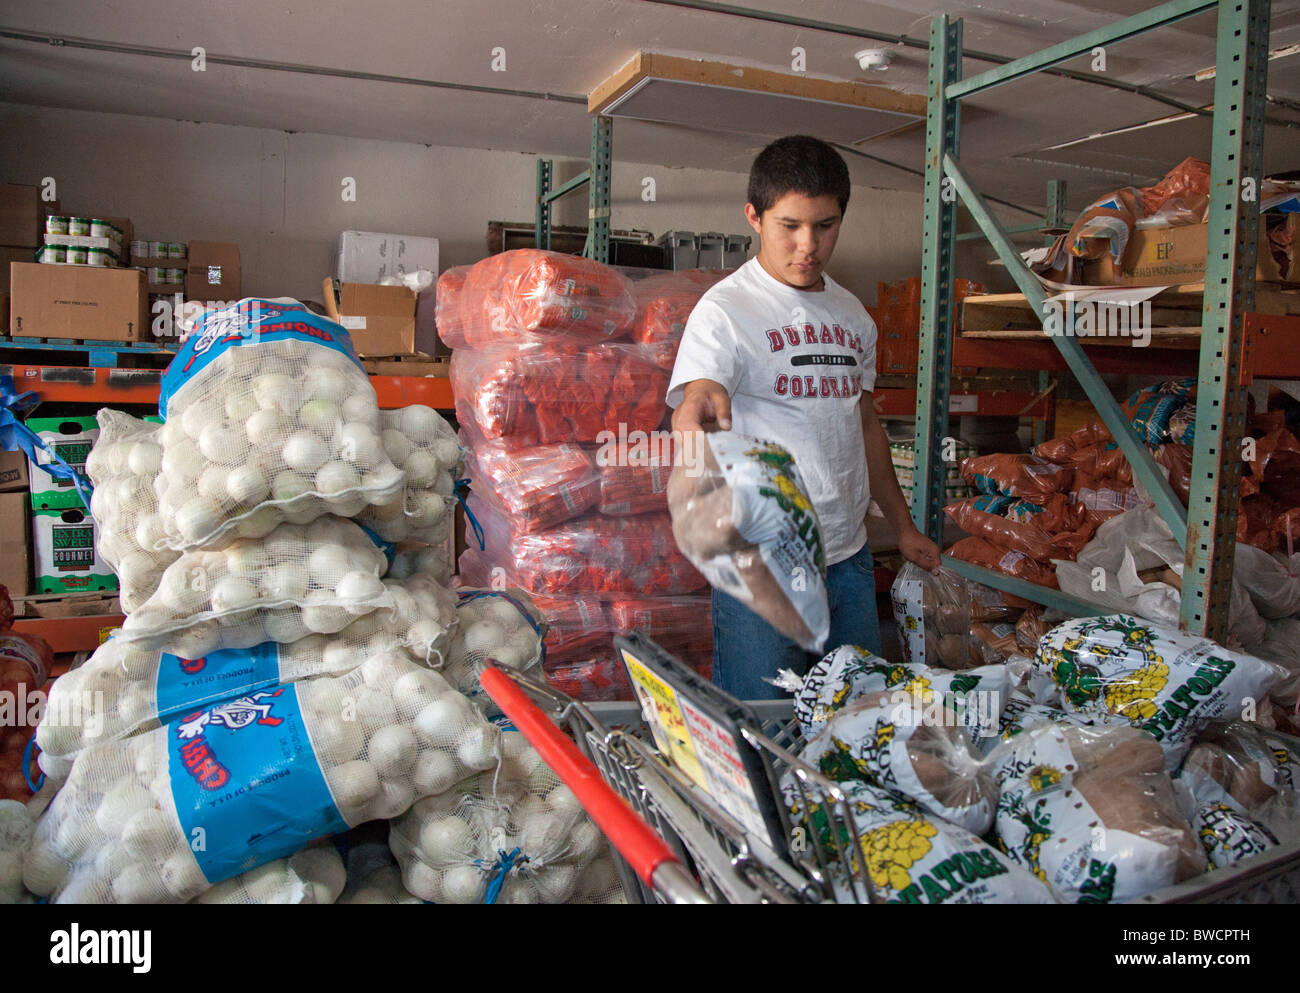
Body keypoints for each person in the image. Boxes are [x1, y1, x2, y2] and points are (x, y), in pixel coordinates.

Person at [667, 134, 941, 700]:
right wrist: (695, 410)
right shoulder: (725, 311)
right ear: (754, 216)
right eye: (788, 225)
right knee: (763, 726)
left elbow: (864, 425)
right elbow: (702, 390)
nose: (807, 245)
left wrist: (903, 526)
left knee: (858, 717)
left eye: (825, 225)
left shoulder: (853, 316)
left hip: (848, 558)